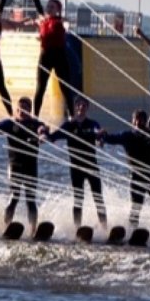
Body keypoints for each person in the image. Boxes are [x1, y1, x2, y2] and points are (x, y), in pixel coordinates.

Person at [0, 97, 46, 227]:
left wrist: (42, 135)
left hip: (31, 167)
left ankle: (33, 230)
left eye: (25, 108)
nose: (21, 110)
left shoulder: (36, 124)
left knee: (30, 200)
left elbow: (43, 130)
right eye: (19, 108)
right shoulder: (9, 124)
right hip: (15, 166)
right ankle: (6, 226)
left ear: (29, 110)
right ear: (16, 109)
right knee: (14, 196)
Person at [44, 97, 107, 228]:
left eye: (84, 105)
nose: (81, 108)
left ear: (87, 108)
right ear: (75, 107)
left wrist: (100, 139)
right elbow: (54, 137)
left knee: (98, 198)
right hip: (76, 168)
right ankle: (77, 228)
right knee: (78, 200)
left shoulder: (92, 124)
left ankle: (104, 228)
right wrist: (44, 134)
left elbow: (98, 133)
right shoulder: (68, 126)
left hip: (91, 166)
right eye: (79, 105)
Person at [102, 109, 150, 232]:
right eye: (136, 119)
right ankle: (132, 232)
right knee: (136, 207)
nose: (138, 122)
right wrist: (102, 135)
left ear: (145, 121)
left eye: (141, 119)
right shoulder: (127, 136)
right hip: (136, 178)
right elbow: (111, 138)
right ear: (132, 121)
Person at [30, 0, 77, 119]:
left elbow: (66, 23)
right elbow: (40, 28)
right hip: (45, 55)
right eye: (48, 7)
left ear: (57, 10)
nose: (49, 9)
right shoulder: (43, 21)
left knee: (65, 86)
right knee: (40, 87)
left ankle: (72, 115)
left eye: (52, 7)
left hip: (59, 55)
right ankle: (35, 115)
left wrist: (65, 23)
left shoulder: (59, 21)